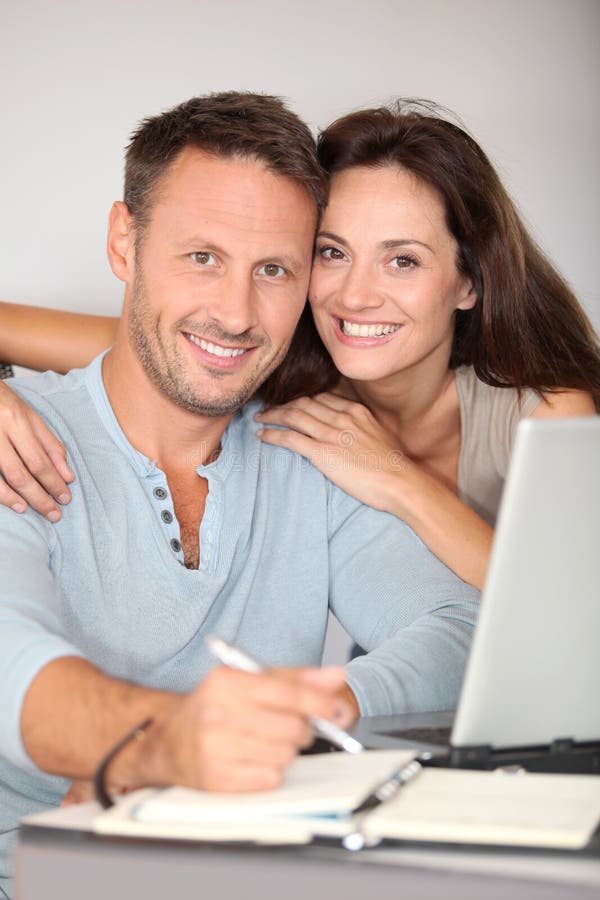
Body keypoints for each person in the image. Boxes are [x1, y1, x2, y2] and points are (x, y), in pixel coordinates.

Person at [0, 93, 478, 896]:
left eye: (274, 271)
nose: (235, 312)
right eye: (202, 258)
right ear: (125, 241)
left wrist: (300, 719)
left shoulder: (313, 445)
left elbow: (458, 632)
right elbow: (10, 669)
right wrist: (167, 746)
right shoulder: (16, 437)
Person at [1, 102, 599, 590]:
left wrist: (395, 477)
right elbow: (134, 350)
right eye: (332, 253)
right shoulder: (262, 362)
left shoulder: (548, 416)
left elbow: (567, 611)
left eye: (402, 260)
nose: (357, 296)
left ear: (469, 280)